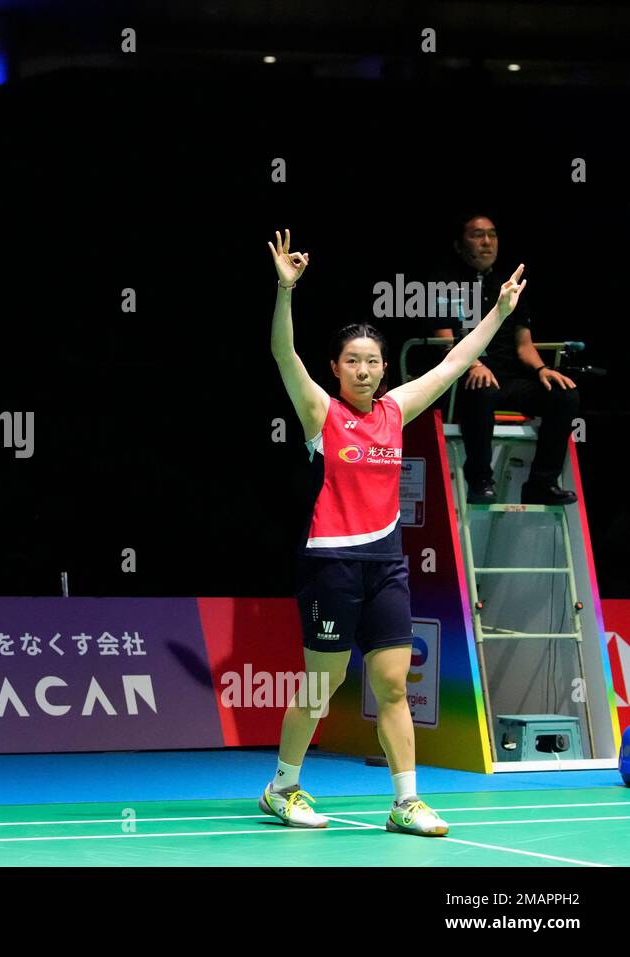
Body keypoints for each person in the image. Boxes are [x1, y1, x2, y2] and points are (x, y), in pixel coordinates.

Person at [265, 228, 526, 836]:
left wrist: (499, 313)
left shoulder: (395, 410)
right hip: (331, 563)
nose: (363, 369)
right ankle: (282, 786)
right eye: (351, 361)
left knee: (391, 685)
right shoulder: (320, 413)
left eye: (372, 361)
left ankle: (406, 801)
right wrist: (285, 291)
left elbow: (457, 361)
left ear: (385, 368)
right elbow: (283, 355)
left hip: (386, 564)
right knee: (321, 686)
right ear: (335, 369)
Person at [430, 214, 579, 504]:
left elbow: (524, 345)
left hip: (508, 380)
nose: (486, 241)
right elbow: (444, 341)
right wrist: (473, 363)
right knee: (482, 389)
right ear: (460, 245)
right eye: (477, 235)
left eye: (492, 234)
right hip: (465, 379)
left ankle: (541, 483)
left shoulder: (508, 286)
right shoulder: (445, 284)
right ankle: (480, 480)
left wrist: (542, 369)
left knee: (565, 395)